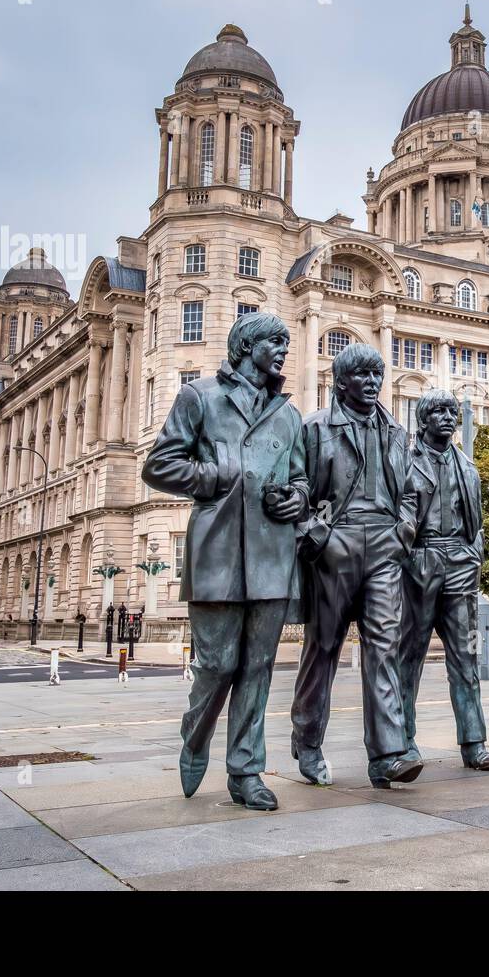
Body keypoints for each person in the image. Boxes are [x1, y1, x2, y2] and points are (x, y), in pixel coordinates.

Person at [141, 312, 307, 811]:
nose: (282, 350)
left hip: (273, 555)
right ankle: (195, 736)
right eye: (273, 341)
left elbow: (301, 480)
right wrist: (214, 476)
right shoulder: (201, 397)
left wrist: (295, 499)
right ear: (246, 344)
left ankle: (246, 770)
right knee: (215, 665)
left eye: (285, 342)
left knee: (258, 667)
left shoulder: (288, 414)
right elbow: (159, 464)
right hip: (216, 551)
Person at [290, 342, 422, 789]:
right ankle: (307, 741)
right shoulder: (315, 428)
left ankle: (386, 754)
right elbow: (296, 488)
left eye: (376, 375)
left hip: (385, 546)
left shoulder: (396, 432)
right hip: (335, 542)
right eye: (362, 375)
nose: (372, 383)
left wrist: (404, 529)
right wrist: (316, 535)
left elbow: (409, 490)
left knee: (384, 648)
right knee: (323, 648)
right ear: (341, 381)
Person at [400, 389, 489, 771]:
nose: (447, 417)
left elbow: (474, 518)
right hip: (420, 559)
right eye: (438, 411)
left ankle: (474, 744)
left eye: (451, 411)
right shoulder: (405, 462)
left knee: (466, 658)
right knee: (409, 657)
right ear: (422, 419)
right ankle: (404, 743)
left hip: (460, 560)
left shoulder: (467, 465)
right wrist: (406, 556)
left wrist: (473, 552)